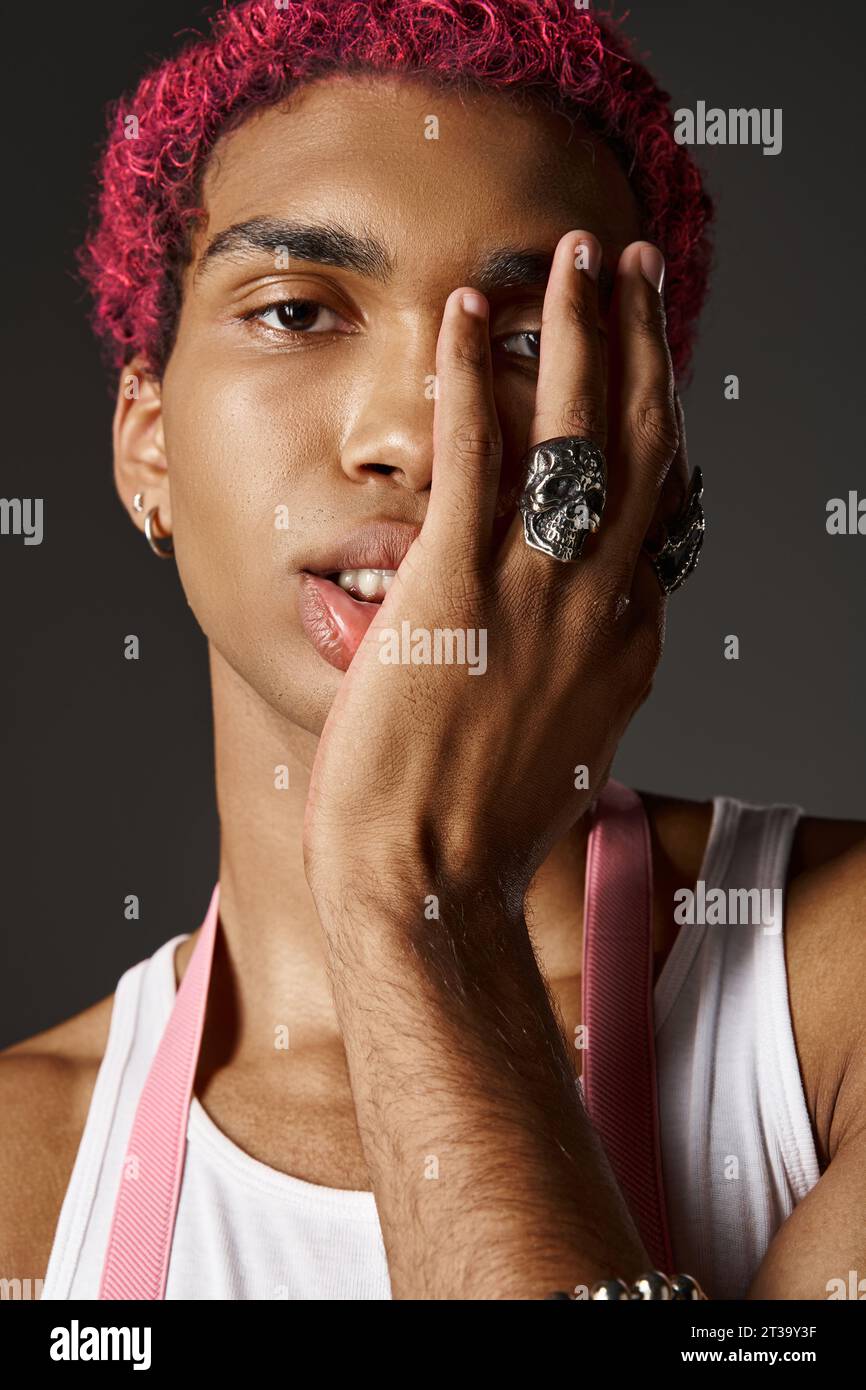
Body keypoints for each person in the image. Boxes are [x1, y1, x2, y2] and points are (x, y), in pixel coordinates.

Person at [1, 0, 863, 1302]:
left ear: (650, 460)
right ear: (147, 445)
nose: (416, 436)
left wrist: (418, 907)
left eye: (526, 343)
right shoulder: (25, 1164)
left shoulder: (837, 992)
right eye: (295, 311)